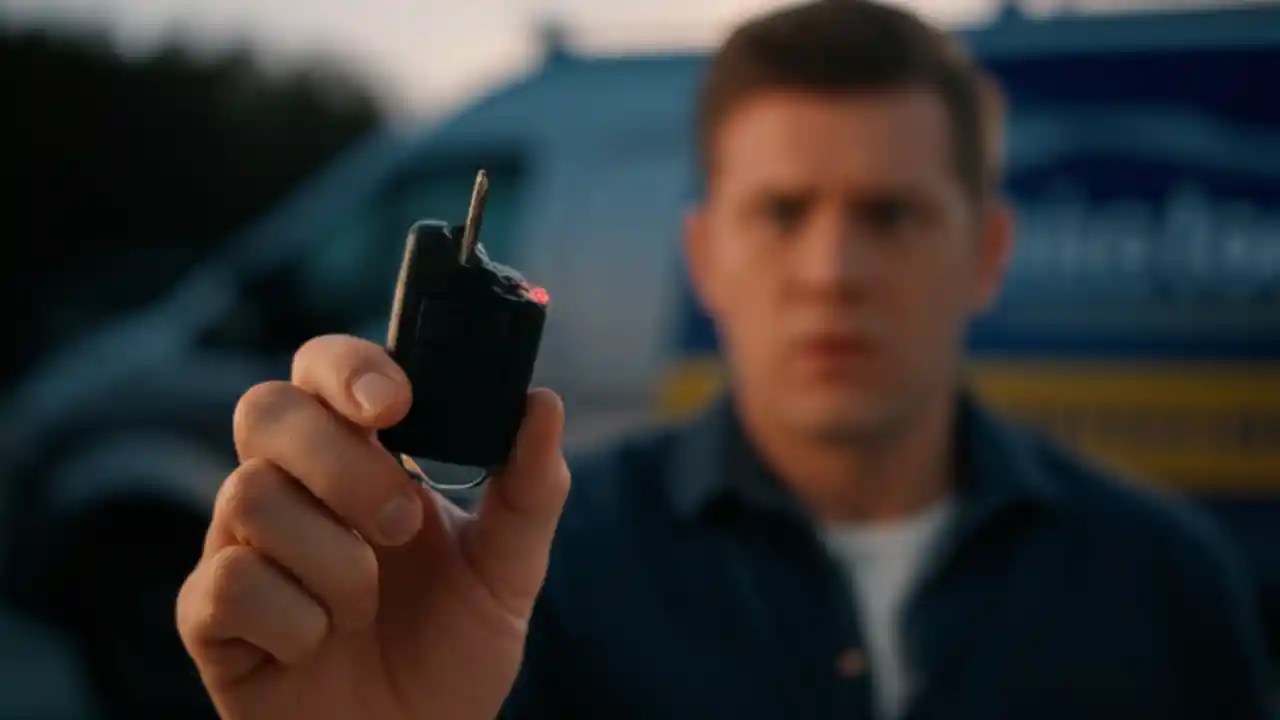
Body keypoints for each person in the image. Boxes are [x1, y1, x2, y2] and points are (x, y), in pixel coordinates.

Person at [175, 1, 1274, 718]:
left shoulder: (1168, 587)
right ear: (703, 257)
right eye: (782, 212)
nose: (830, 269)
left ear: (984, 253)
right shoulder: (520, 586)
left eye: (889, 214)